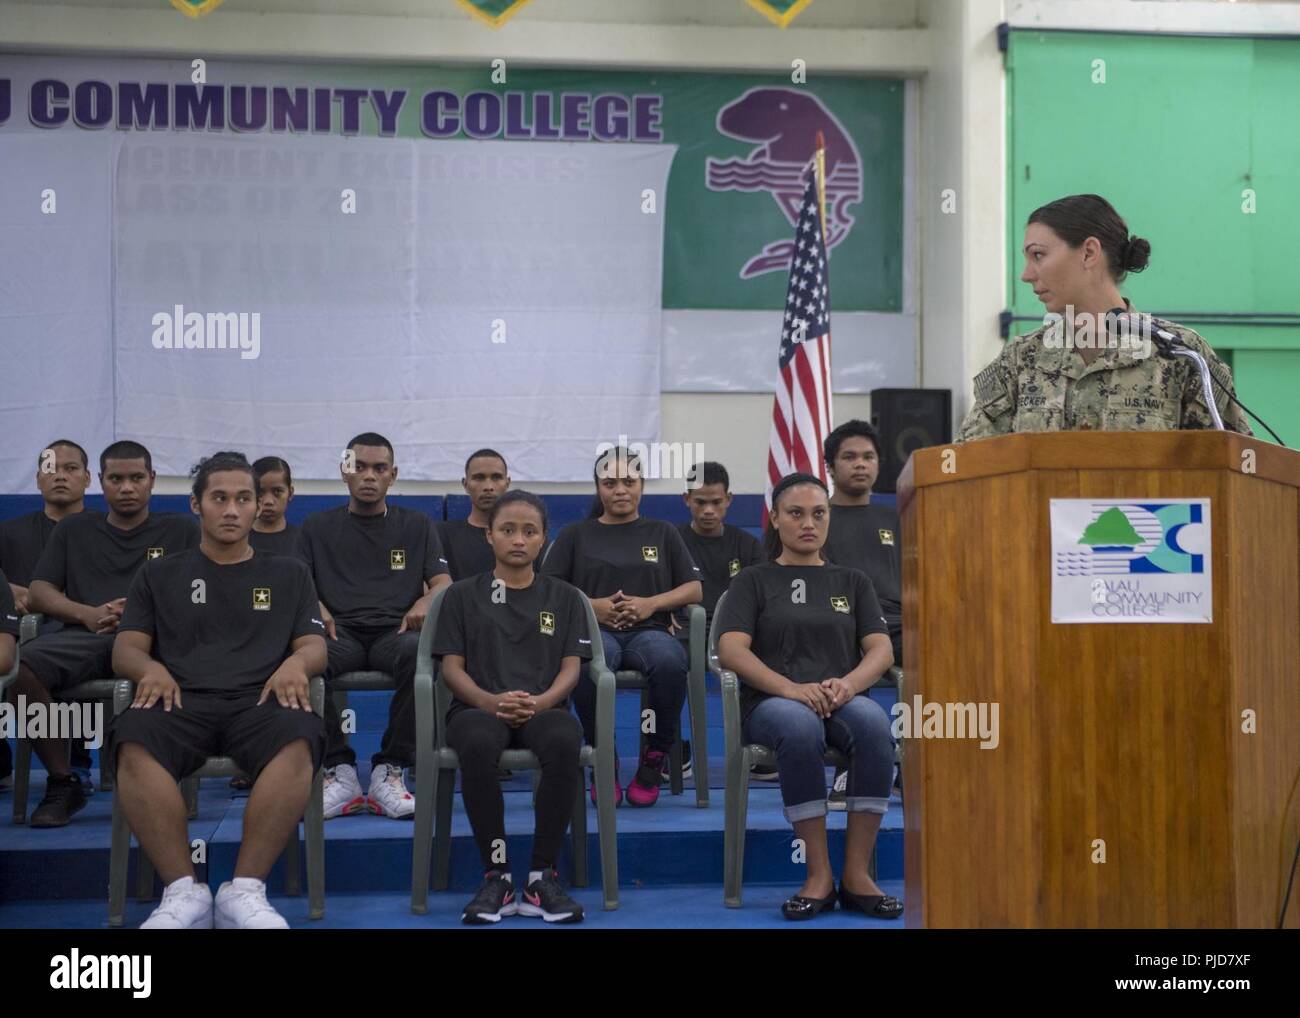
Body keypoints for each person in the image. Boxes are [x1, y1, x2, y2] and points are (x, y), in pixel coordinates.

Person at [110, 452, 327, 929]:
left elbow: (315, 644)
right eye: (220, 498)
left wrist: (297, 661)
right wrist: (150, 668)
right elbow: (125, 648)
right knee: (133, 737)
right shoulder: (158, 574)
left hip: (259, 702)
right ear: (196, 505)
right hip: (180, 699)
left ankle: (243, 891)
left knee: (299, 736)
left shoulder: (290, 573)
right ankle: (183, 891)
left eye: (244, 499)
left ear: (257, 507)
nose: (232, 509)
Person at [717, 471, 901, 921]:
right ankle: (818, 876)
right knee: (799, 727)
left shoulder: (852, 581)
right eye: (795, 513)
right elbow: (730, 649)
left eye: (818, 513)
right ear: (775, 519)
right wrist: (790, 689)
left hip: (840, 697)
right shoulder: (753, 581)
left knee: (876, 725)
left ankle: (857, 877)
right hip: (773, 702)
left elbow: (881, 648)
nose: (808, 523)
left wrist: (849, 684)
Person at [958, 193, 1253, 441]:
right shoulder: (1020, 360)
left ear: (1088, 253)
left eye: (1038, 255)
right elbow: (970, 464)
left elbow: (1237, 468)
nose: (1026, 275)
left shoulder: (1180, 355)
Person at [12, 441, 198, 826]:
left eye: (136, 478)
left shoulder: (180, 529)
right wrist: (88, 614)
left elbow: (206, 590)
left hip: (156, 642)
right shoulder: (74, 529)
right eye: (116, 478)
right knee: (21, 667)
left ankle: (163, 780)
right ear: (101, 482)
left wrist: (144, 611)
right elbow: (41, 591)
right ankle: (64, 780)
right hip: (84, 636)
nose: (127, 487)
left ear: (152, 481)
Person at [433, 490, 590, 924]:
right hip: (477, 708)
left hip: (545, 708)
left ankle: (541, 875)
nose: (518, 539)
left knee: (564, 739)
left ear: (543, 539)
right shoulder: (461, 596)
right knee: (478, 743)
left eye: (529, 531)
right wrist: (489, 701)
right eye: (507, 530)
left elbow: (571, 670)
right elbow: (451, 669)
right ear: (489, 535)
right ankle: (498, 875)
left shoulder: (565, 597)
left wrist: (540, 703)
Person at [300, 432, 451, 819]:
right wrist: (317, 608)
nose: (369, 476)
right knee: (302, 662)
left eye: (378, 468)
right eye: (359, 467)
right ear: (344, 472)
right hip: (339, 634)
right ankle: (339, 770)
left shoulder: (417, 525)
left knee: (421, 657)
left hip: (394, 633)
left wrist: (424, 600)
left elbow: (443, 584)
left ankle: (390, 769)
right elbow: (297, 587)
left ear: (393, 475)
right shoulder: (316, 527)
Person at [543, 446, 702, 807]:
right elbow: (548, 589)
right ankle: (603, 758)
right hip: (596, 632)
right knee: (587, 668)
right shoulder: (575, 535)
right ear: (598, 488)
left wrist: (651, 603)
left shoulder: (662, 532)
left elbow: (694, 588)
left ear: (641, 485)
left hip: (651, 630)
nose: (620, 490)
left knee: (670, 662)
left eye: (628, 482)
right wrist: (592, 607)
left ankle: (654, 756)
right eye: (610, 482)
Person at [820, 420, 903, 806]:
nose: (860, 464)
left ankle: (911, 766)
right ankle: (849, 767)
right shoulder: (816, 518)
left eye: (868, 457)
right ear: (831, 466)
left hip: (899, 624)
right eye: (849, 457)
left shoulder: (897, 519)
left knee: (946, 657)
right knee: (846, 653)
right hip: (841, 622)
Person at [0, 440, 92, 788]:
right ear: (38, 479)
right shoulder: (9, 533)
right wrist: (9, 593)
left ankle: (72, 768)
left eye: (71, 469)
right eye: (51, 469)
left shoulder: (107, 532)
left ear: (87, 479)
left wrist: (45, 601)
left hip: (84, 640)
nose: (60, 477)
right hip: (16, 640)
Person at [439, 449, 509, 581]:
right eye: (479, 478)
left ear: (507, 483)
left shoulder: (523, 539)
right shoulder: (441, 535)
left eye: (496, 477)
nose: (488, 486)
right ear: (465, 484)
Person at [248, 456, 303, 559]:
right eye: (260, 492)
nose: (268, 501)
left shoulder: (303, 541)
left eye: (277, 492)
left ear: (290, 493)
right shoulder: (238, 540)